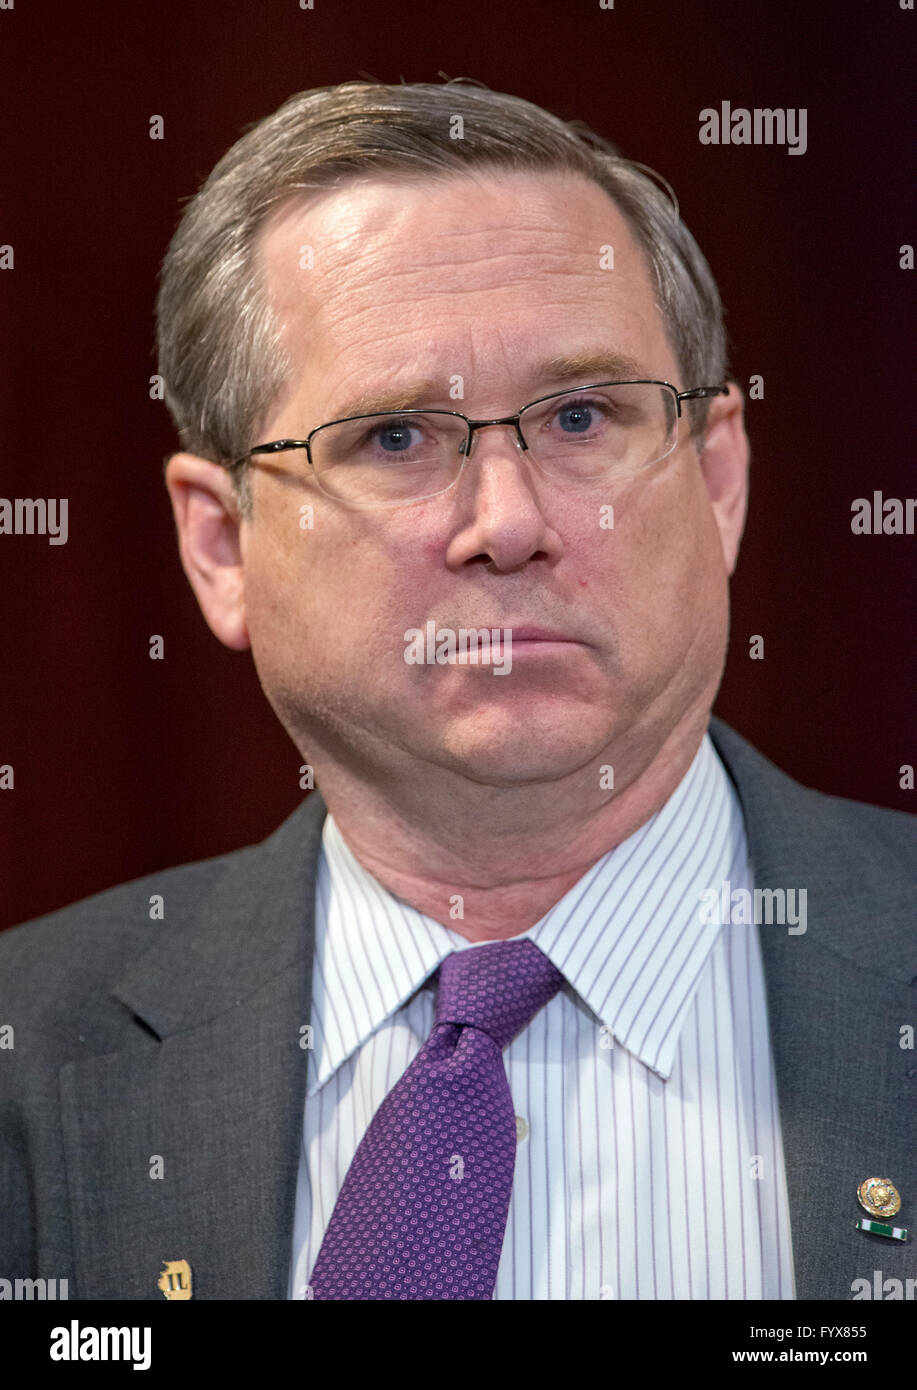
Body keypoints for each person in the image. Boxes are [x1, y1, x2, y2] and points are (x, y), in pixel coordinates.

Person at [1, 80, 913, 1302]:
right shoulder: (29, 1060)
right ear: (221, 546)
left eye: (581, 415)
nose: (509, 522)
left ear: (717, 478)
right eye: (394, 438)